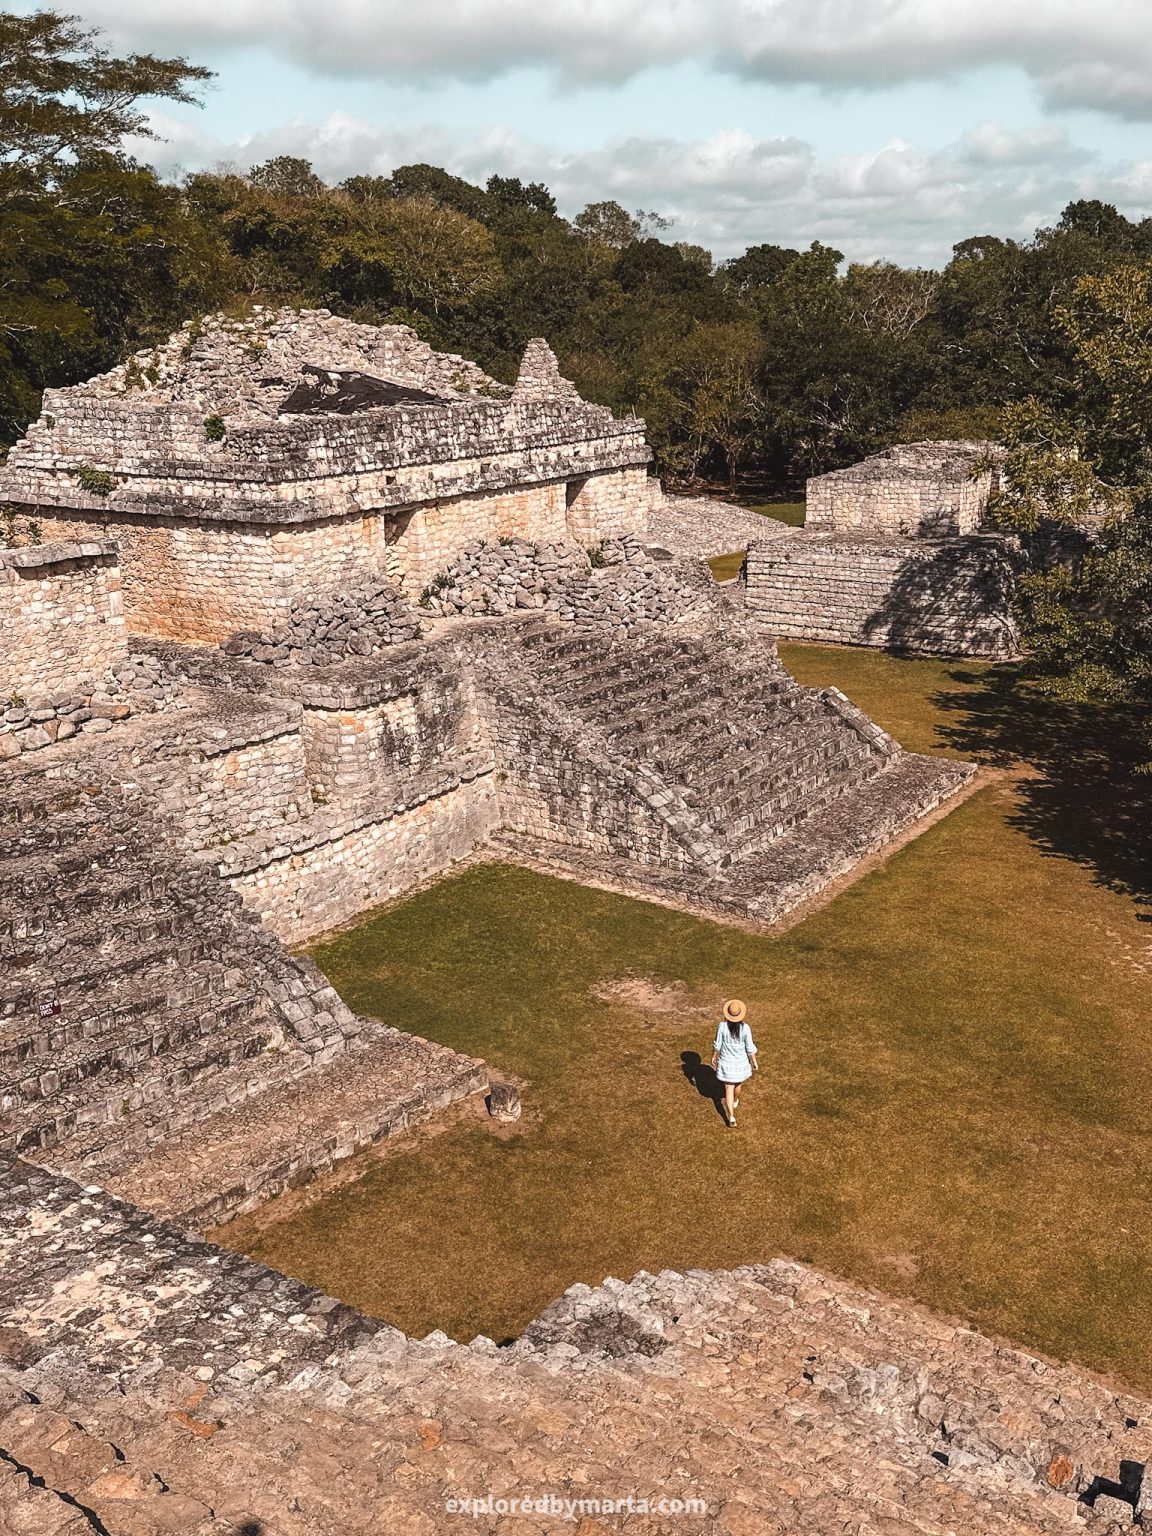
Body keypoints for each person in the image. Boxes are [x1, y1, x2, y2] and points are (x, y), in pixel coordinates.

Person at [711, 999, 757, 1127]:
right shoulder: (745, 1028)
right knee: (737, 1084)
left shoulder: (722, 1027)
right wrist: (754, 1061)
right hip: (740, 1064)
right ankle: (736, 1100)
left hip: (726, 1064)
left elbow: (717, 1044)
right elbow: (750, 1047)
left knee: (728, 1089)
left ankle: (731, 1116)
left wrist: (714, 1056)